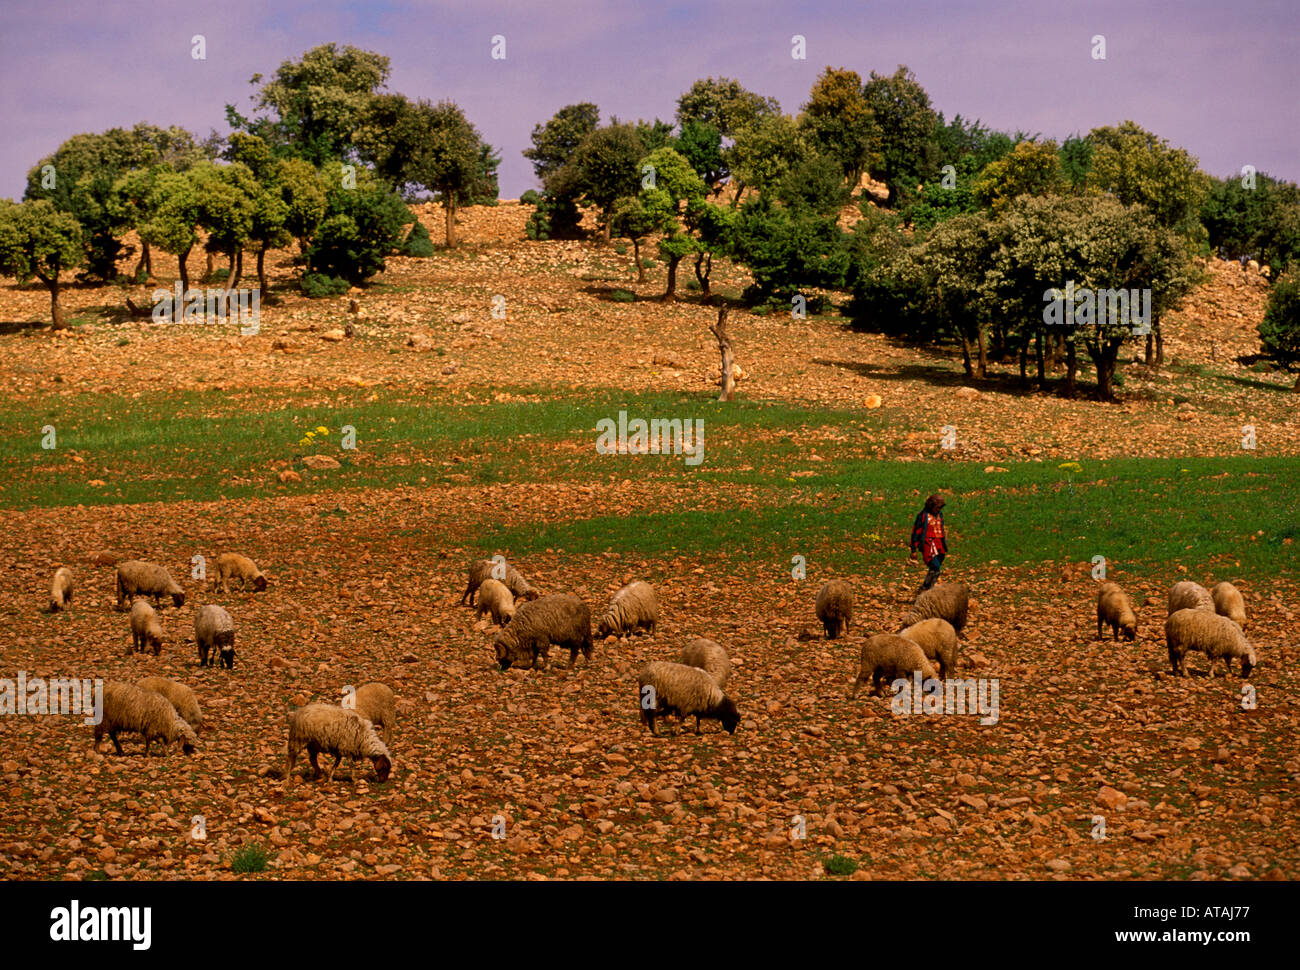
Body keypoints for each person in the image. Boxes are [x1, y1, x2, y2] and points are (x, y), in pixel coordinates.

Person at [909, 493, 948, 593]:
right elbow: (916, 532)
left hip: (939, 543)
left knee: (935, 569)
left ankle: (926, 587)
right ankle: (927, 589)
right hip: (928, 544)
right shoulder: (923, 516)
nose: (938, 510)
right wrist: (914, 549)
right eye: (937, 507)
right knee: (935, 566)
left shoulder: (940, 515)